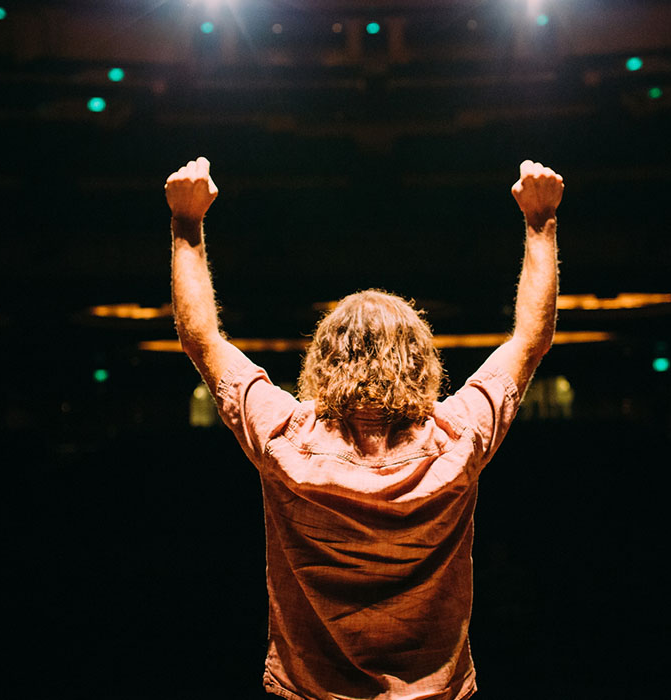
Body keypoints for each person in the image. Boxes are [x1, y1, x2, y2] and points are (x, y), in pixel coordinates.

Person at [167, 157, 563, 700]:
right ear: (420, 361)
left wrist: (186, 225)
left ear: (324, 360)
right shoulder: (458, 438)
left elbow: (202, 340)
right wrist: (541, 222)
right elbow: (530, 341)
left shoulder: (285, 438)